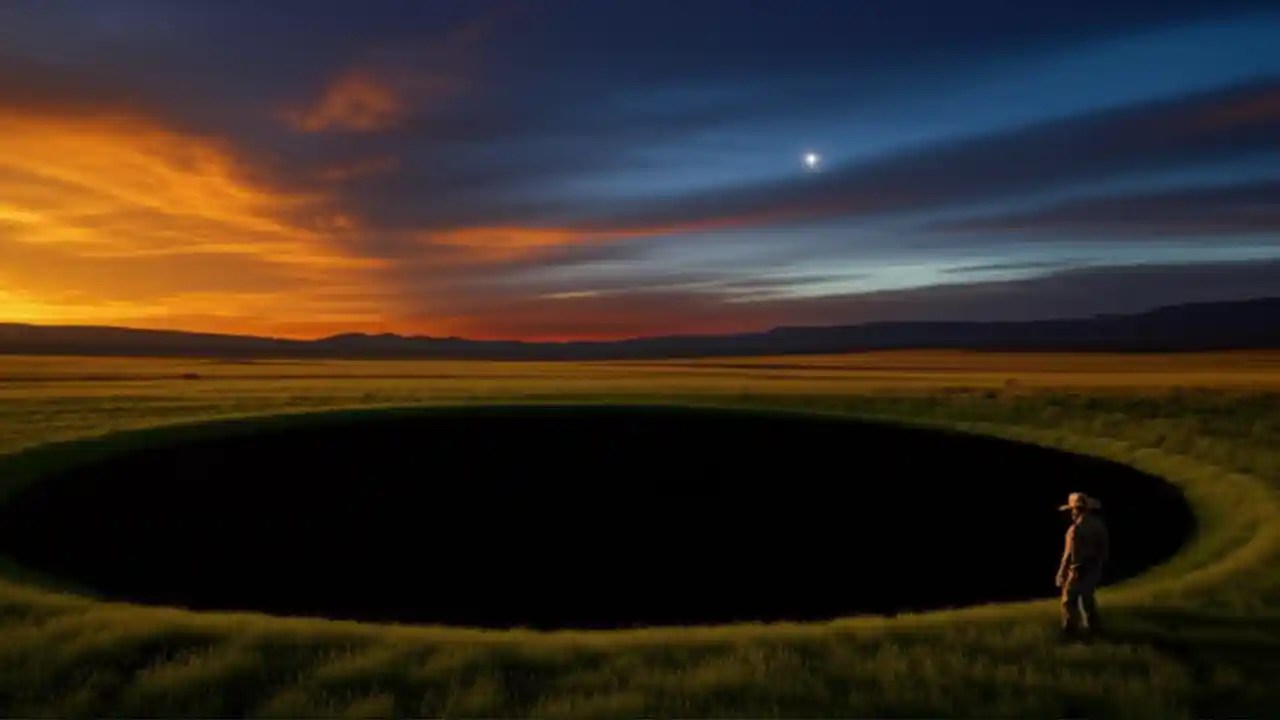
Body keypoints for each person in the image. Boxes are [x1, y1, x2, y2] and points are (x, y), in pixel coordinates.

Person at [1056, 492, 1109, 638]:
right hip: (1092, 568)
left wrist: (1062, 572)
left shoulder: (1074, 530)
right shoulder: (1099, 527)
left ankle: (1071, 629)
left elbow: (1069, 555)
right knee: (1087, 598)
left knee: (1069, 600)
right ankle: (1093, 628)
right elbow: (1104, 551)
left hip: (1078, 569)